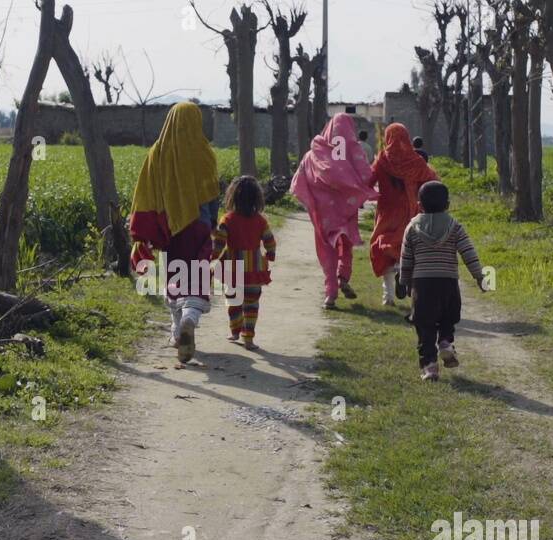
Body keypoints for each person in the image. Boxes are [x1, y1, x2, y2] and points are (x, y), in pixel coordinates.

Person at [129, 102, 221, 363]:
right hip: (199, 227)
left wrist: (144, 232)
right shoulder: (203, 153)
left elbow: (144, 195)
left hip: (171, 230)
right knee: (197, 275)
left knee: (174, 277)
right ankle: (190, 320)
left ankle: (175, 329)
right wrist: (212, 224)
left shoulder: (156, 154)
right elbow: (213, 193)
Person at [399, 181, 486, 382]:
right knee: (447, 318)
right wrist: (479, 276)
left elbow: (406, 258)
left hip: (422, 284)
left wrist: (404, 281)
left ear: (419, 205)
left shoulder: (412, 227)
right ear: (447, 204)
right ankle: (446, 343)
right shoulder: (455, 226)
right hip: (448, 283)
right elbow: (468, 253)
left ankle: (430, 366)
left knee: (425, 325)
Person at [291, 113, 379, 309]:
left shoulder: (314, 153)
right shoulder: (353, 150)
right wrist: (370, 189)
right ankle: (343, 275)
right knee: (345, 242)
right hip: (346, 208)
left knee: (326, 248)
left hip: (323, 212)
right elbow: (367, 173)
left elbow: (300, 179)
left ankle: (330, 294)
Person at [369, 123, 438, 306]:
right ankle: (405, 272)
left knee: (383, 246)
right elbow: (434, 181)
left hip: (387, 211)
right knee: (409, 248)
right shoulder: (416, 161)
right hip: (411, 211)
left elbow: (367, 181)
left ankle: (388, 297)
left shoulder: (382, 159)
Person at [212, 176, 277, 351]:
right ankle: (248, 338)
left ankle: (235, 331)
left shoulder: (227, 219)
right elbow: (269, 240)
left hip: (233, 268)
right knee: (251, 304)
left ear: (232, 196)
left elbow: (219, 242)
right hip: (254, 268)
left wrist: (212, 257)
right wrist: (271, 253)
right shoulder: (261, 220)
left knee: (233, 301)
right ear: (257, 197)